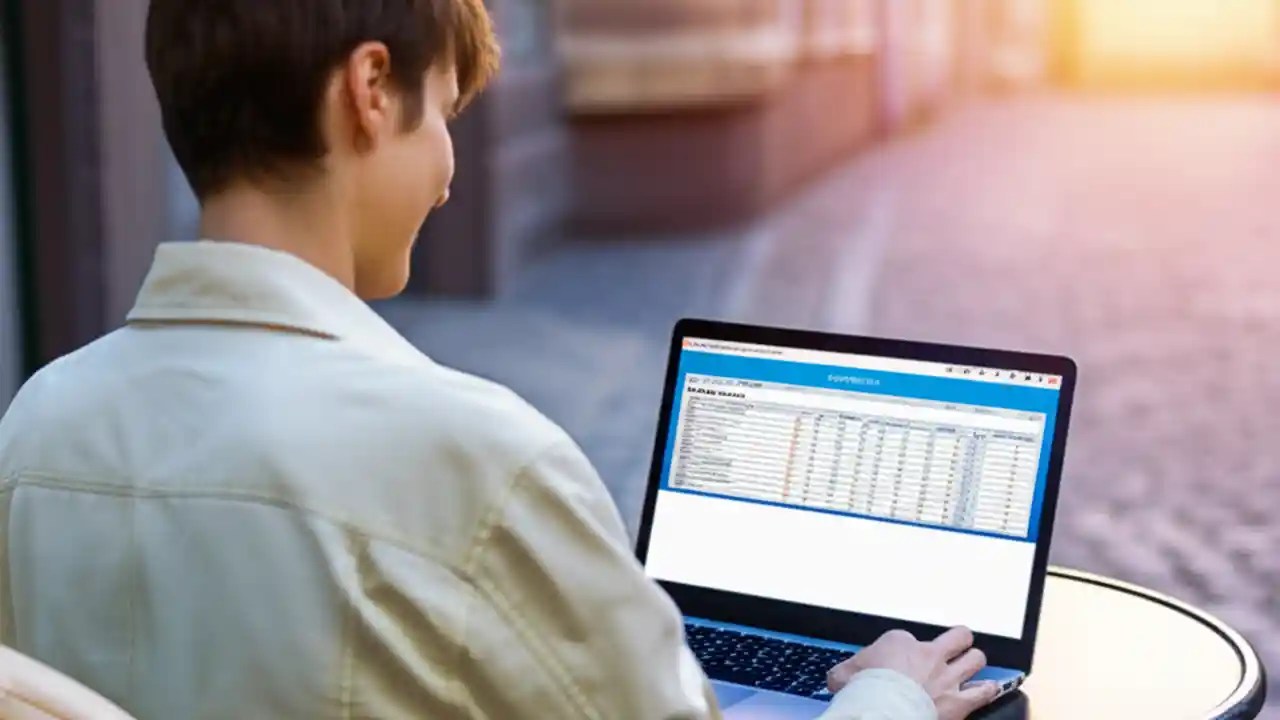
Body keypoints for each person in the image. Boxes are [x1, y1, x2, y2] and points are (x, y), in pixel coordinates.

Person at [0, 1, 1002, 718]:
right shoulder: (478, 459)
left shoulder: (36, 423)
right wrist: (886, 695)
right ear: (369, 89)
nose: (446, 174)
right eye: (442, 112)